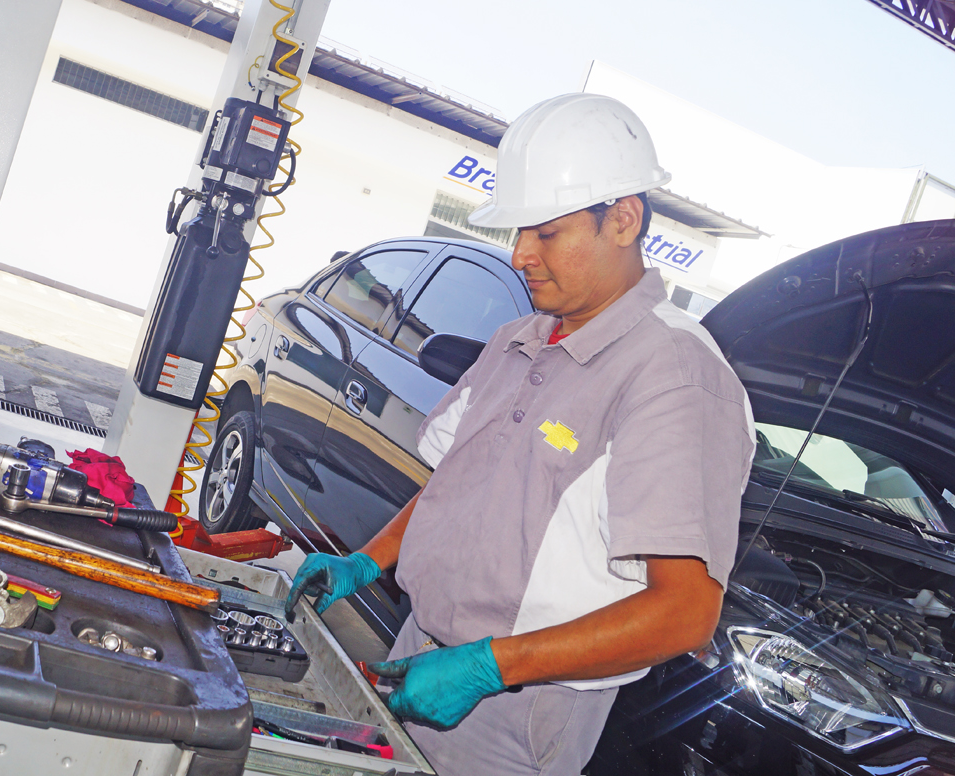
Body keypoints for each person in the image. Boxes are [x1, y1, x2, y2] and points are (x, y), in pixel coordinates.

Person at [284, 93, 755, 776]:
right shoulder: (518, 338)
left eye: (546, 233)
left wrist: (490, 667)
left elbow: (684, 614)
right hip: (423, 647)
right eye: (517, 233)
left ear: (623, 219)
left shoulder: (676, 376)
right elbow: (460, 483)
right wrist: (370, 559)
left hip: (523, 702)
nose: (521, 255)